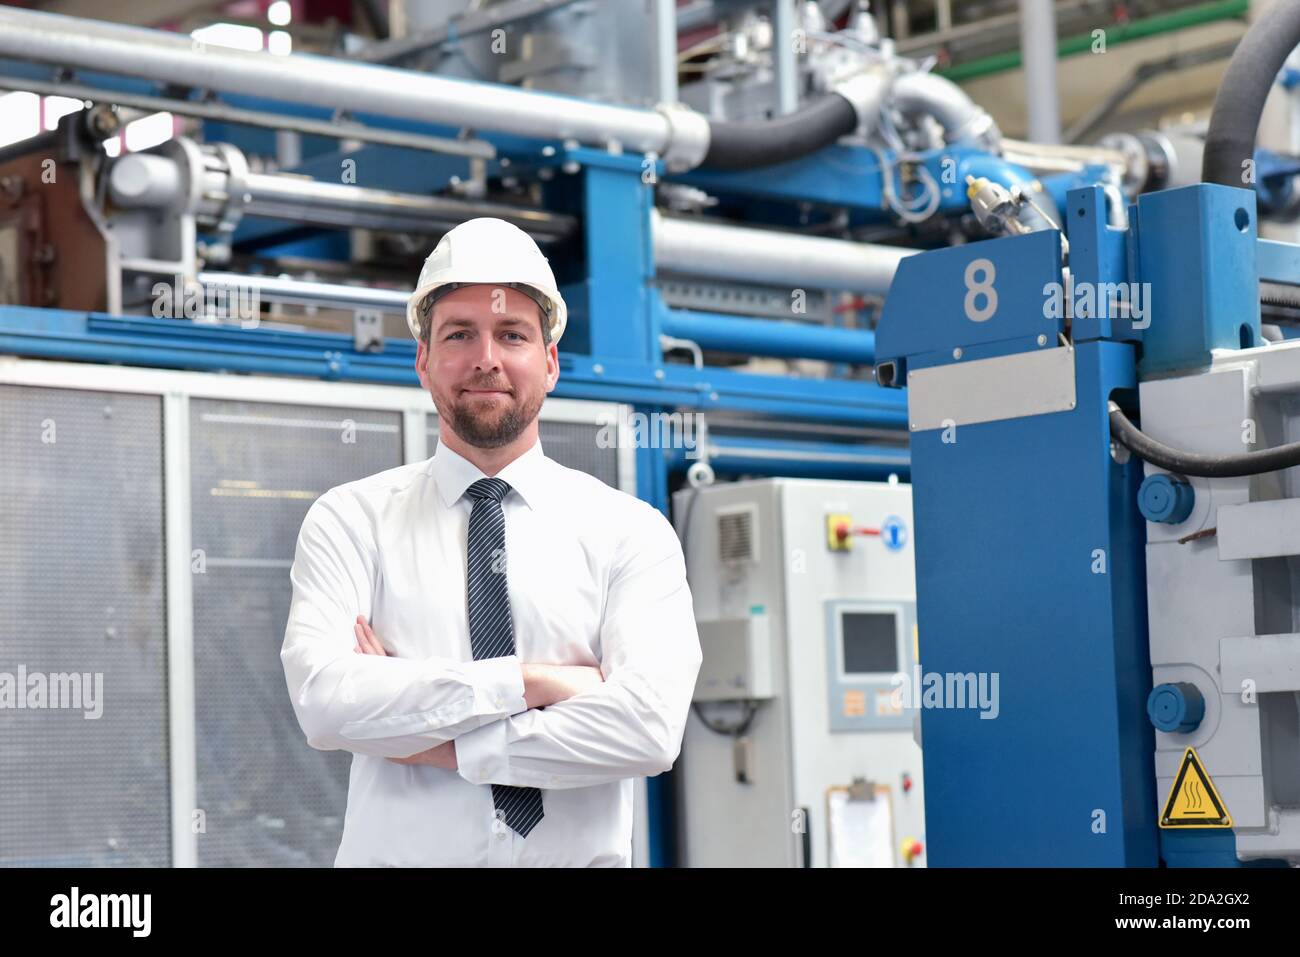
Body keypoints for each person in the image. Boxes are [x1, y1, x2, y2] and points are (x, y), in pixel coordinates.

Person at [280, 217, 702, 866]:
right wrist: (537, 681)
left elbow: (647, 728)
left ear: (551, 362)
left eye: (512, 335)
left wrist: (436, 734)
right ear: (423, 360)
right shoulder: (351, 522)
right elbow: (327, 704)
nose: (486, 358)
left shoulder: (631, 532)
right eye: (459, 334)